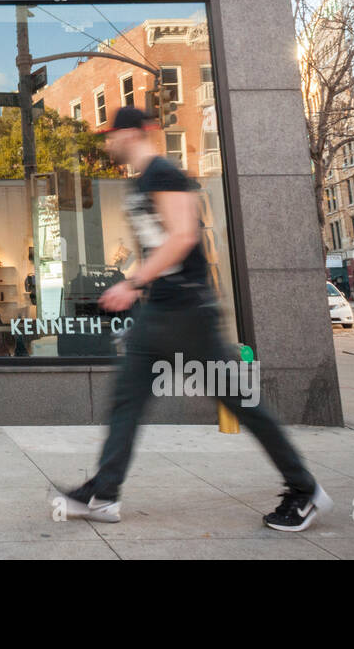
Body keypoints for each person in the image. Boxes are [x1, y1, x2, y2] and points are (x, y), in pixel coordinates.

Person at [53, 105, 332, 532]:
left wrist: (133, 283)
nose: (108, 142)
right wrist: (136, 281)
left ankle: (304, 489)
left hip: (188, 311)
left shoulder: (163, 173)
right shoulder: (144, 181)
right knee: (126, 398)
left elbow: (183, 236)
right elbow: (161, 248)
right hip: (162, 310)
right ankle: (104, 494)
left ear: (133, 133)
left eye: (112, 134)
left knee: (241, 402)